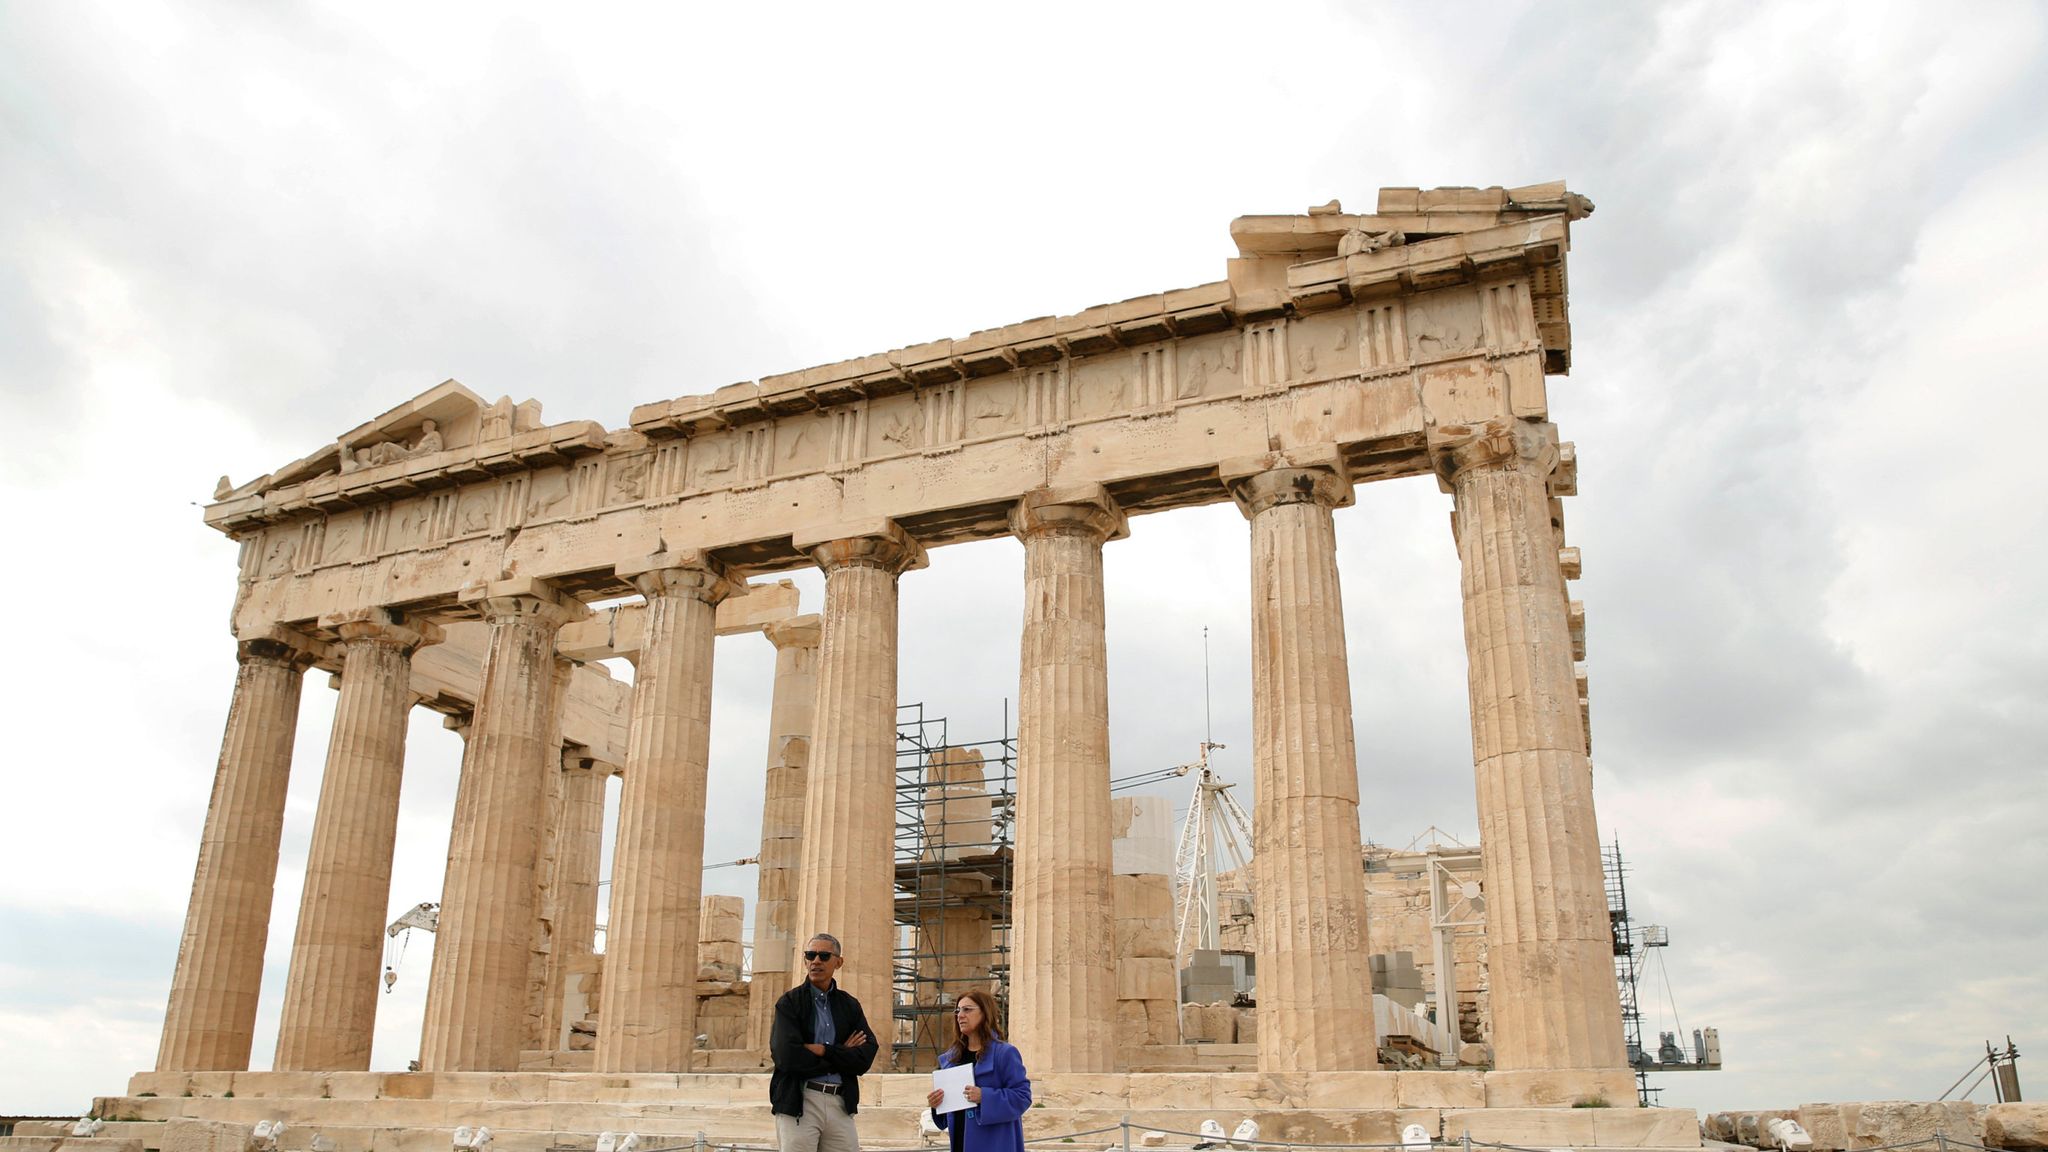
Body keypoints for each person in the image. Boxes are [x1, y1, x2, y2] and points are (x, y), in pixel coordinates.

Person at [770, 933, 878, 1152]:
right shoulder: (789, 1003)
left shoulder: (849, 1005)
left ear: (839, 962)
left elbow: (865, 1056)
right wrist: (840, 1053)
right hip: (800, 1101)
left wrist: (823, 1050)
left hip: (840, 1103)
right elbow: (787, 1058)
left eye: (824, 955)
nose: (815, 961)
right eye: (810, 955)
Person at [924, 990, 1032, 1152]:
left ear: (984, 1013)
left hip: (996, 1144)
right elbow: (947, 1114)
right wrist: (936, 1104)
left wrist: (985, 1096)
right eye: (957, 1010)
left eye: (967, 1009)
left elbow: (1022, 1097)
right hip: (960, 1142)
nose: (960, 1015)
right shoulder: (950, 1059)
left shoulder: (1005, 1053)